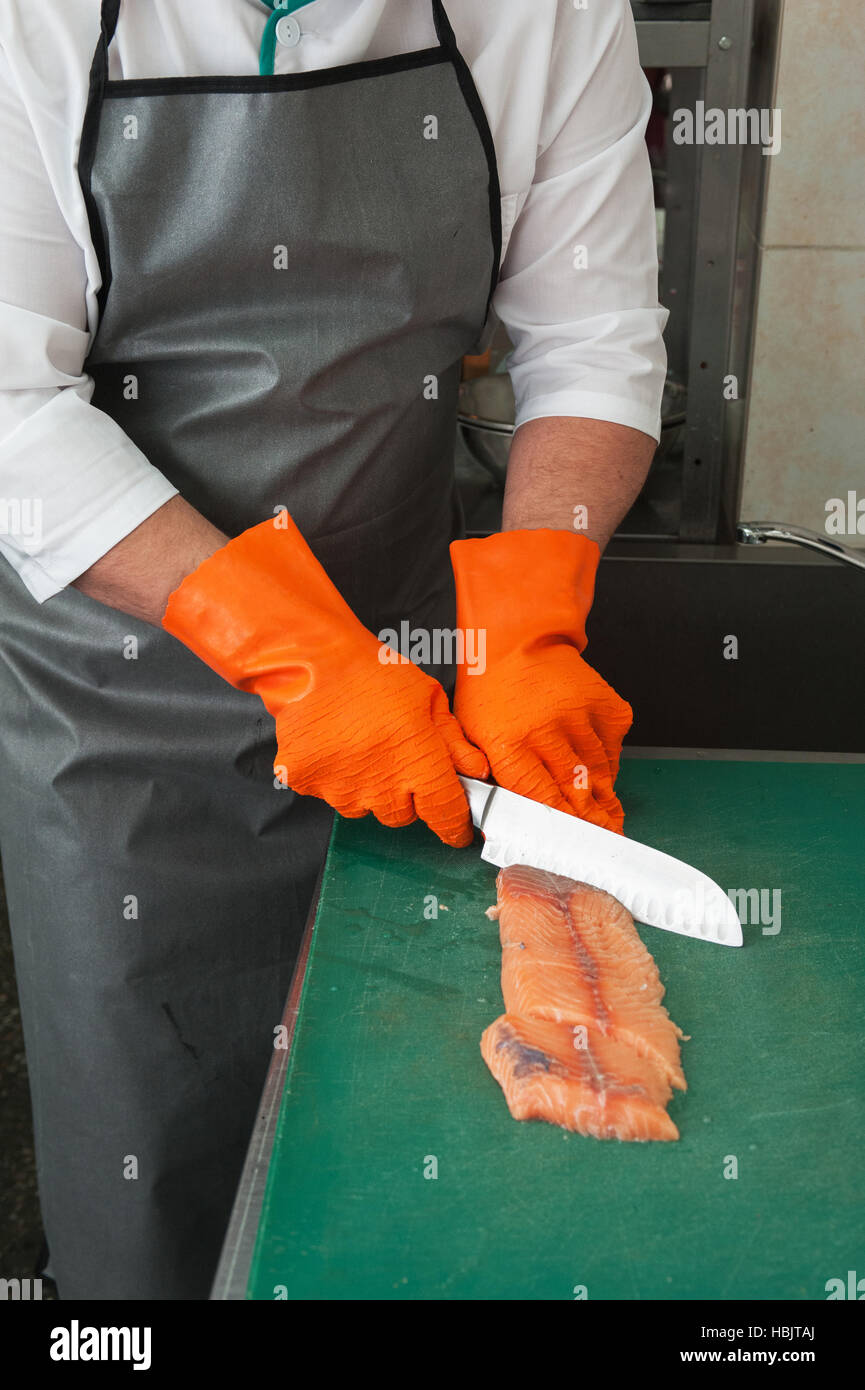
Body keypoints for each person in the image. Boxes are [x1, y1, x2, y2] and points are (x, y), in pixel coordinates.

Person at [0, 0, 667, 1299]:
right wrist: (291, 649)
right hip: (118, 710)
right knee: (150, 1173)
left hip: (420, 698)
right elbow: (12, 404)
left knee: (396, 1152)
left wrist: (530, 612)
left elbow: (591, 343)